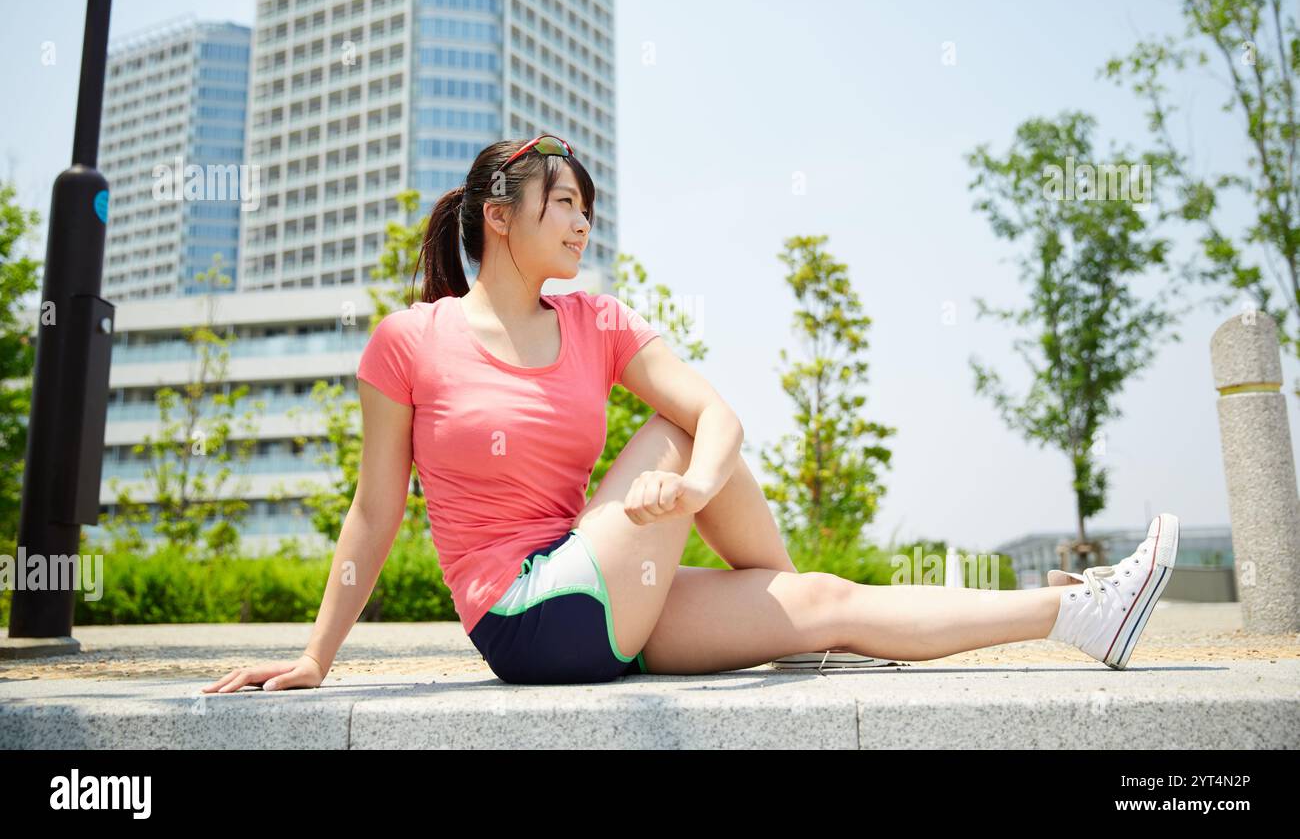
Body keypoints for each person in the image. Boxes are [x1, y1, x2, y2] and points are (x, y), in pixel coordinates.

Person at [203, 135, 1180, 692]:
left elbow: (722, 417)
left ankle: (1079, 612)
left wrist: (695, 488)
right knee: (672, 425)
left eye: (590, 206)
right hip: (524, 613)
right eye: (564, 203)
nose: (584, 222)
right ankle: (777, 595)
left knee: (825, 600)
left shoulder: (597, 319)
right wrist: (313, 655)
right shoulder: (407, 341)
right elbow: (374, 512)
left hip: (606, 582)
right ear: (496, 215)